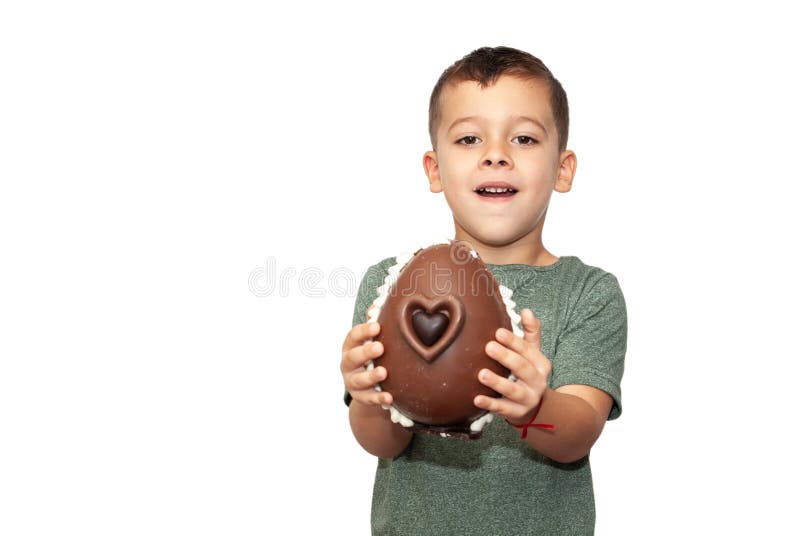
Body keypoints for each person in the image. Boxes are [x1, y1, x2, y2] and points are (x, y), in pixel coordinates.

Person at [340, 46, 627, 535]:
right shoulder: (392, 286)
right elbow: (384, 443)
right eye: (470, 138)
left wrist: (537, 407)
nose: (496, 153)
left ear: (562, 169)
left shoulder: (588, 293)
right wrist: (369, 398)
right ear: (435, 169)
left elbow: (578, 435)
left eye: (524, 138)